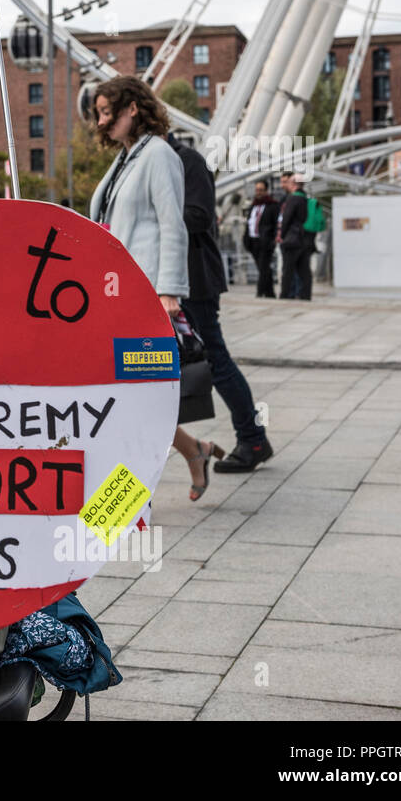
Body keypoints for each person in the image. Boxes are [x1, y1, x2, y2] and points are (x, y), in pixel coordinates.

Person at [87, 77, 217, 499]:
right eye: (99, 114)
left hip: (145, 297)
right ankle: (193, 451)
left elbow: (171, 225)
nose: (101, 122)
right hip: (116, 296)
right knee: (128, 395)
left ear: (132, 110)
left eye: (108, 112)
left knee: (134, 398)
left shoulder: (159, 155)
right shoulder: (127, 159)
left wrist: (170, 293)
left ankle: (123, 499)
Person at [169, 135, 273, 485]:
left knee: (217, 361)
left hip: (194, 279)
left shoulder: (188, 161)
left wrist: (156, 212)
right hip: (173, 279)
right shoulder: (149, 161)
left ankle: (254, 439)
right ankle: (244, 440)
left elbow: (198, 216)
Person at [277, 171, 312, 300]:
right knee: (304, 270)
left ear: (293, 184)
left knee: (288, 270)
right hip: (305, 238)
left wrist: (283, 234)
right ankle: (306, 295)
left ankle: (285, 295)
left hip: (292, 239)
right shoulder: (306, 198)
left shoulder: (293, 198)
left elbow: (286, 218)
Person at [244, 179, 279, 297]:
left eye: (261, 190)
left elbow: (276, 224)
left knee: (264, 267)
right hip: (253, 242)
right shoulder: (253, 206)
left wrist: (273, 240)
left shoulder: (272, 205)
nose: (258, 192)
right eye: (257, 190)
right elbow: (249, 223)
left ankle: (260, 292)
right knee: (263, 268)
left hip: (265, 241)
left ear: (266, 191)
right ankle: (270, 293)